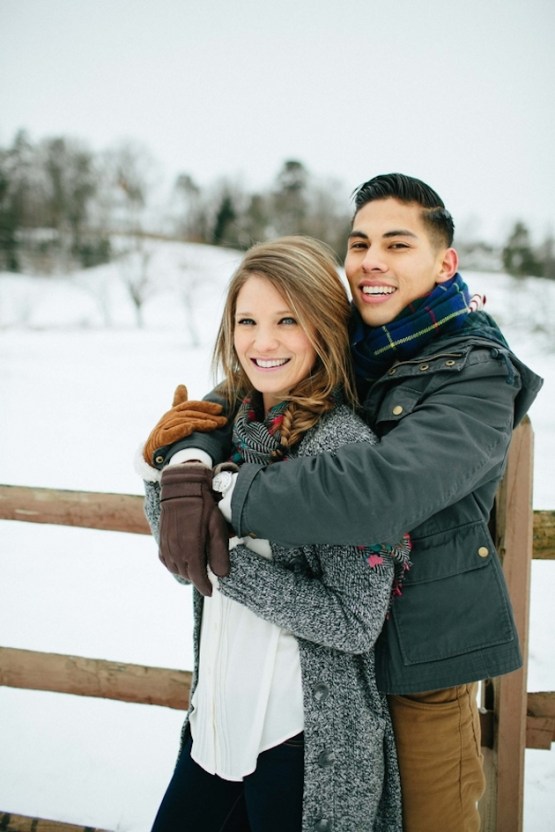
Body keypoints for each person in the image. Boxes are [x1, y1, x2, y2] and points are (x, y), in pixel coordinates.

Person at [143, 174, 543, 831]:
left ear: (444, 262)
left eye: (396, 243)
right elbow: (244, 388)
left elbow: (380, 492)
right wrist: (186, 459)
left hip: (414, 660)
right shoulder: (356, 338)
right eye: (359, 243)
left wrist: (226, 499)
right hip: (313, 669)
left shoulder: (475, 372)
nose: (371, 260)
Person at [138, 236, 411, 832]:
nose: (263, 341)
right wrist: (168, 467)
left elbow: (353, 621)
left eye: (288, 320)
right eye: (248, 321)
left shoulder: (343, 450)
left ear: (324, 328)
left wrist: (227, 564)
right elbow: (176, 543)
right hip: (212, 727)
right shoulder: (228, 429)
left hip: (301, 743)